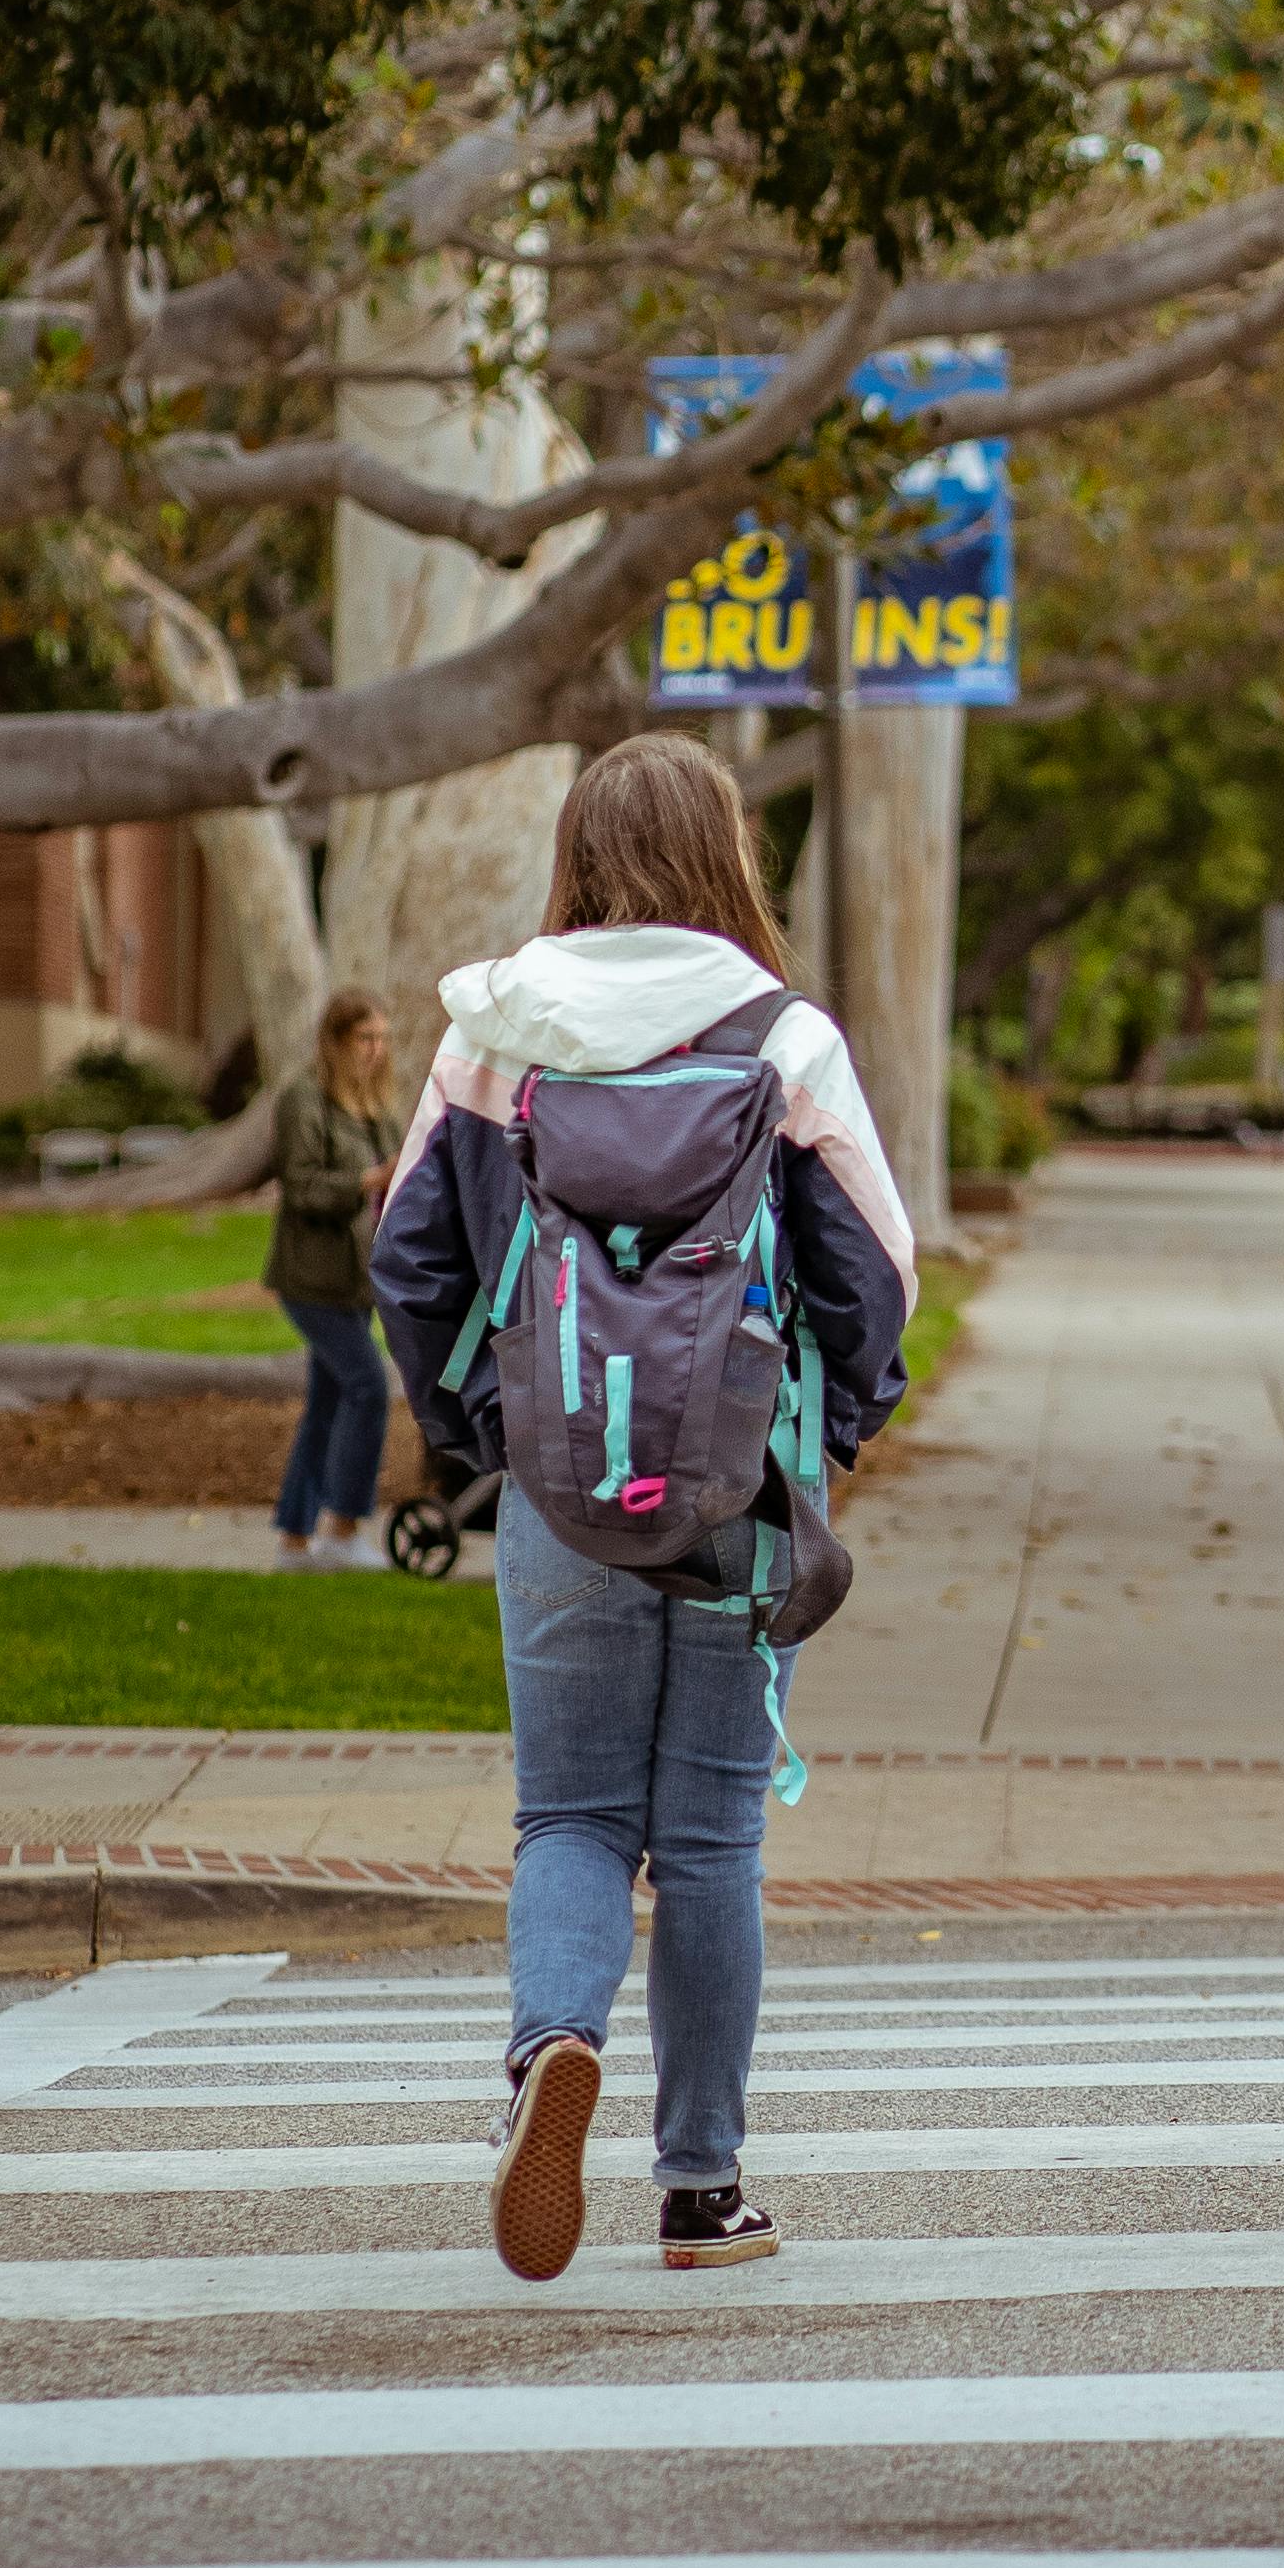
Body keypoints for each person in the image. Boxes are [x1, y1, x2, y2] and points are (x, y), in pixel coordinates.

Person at [371, 729, 915, 2280]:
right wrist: (833, 1436)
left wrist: (486, 1426)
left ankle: (551, 2048)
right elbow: (874, 1273)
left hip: (556, 1482)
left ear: (580, 855)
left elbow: (410, 1260)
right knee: (713, 1837)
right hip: (740, 1487)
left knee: (572, 1815)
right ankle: (700, 2188)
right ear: (725, 854)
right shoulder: (782, 1039)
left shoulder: (495, 1030)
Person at [264, 986, 402, 1566]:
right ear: (336, 1041)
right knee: (369, 1388)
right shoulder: (304, 1100)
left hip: (355, 1281)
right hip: (311, 1280)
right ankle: (342, 1533)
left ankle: (295, 1544)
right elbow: (300, 1187)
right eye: (365, 1038)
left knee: (326, 1403)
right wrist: (368, 1181)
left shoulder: (375, 1107)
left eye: (381, 1039)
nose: (375, 1050)